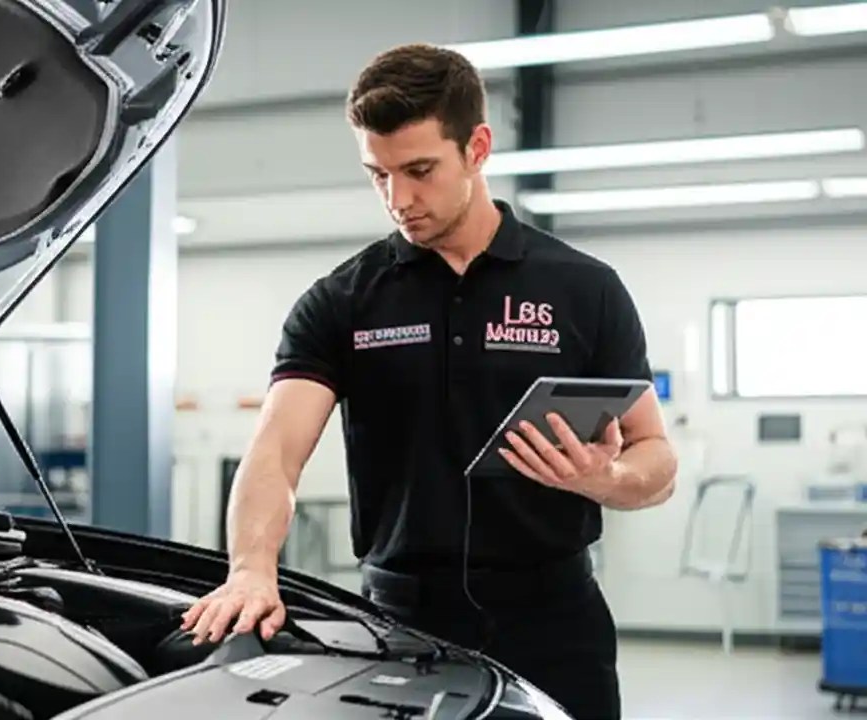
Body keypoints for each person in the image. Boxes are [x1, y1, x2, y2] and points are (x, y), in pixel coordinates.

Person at [178, 43, 678, 719]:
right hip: (403, 623)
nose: (398, 200)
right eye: (377, 175)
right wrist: (250, 566)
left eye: (419, 170)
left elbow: (657, 457)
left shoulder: (584, 290)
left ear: (477, 147)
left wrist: (605, 480)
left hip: (556, 623)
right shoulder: (343, 301)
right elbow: (274, 453)